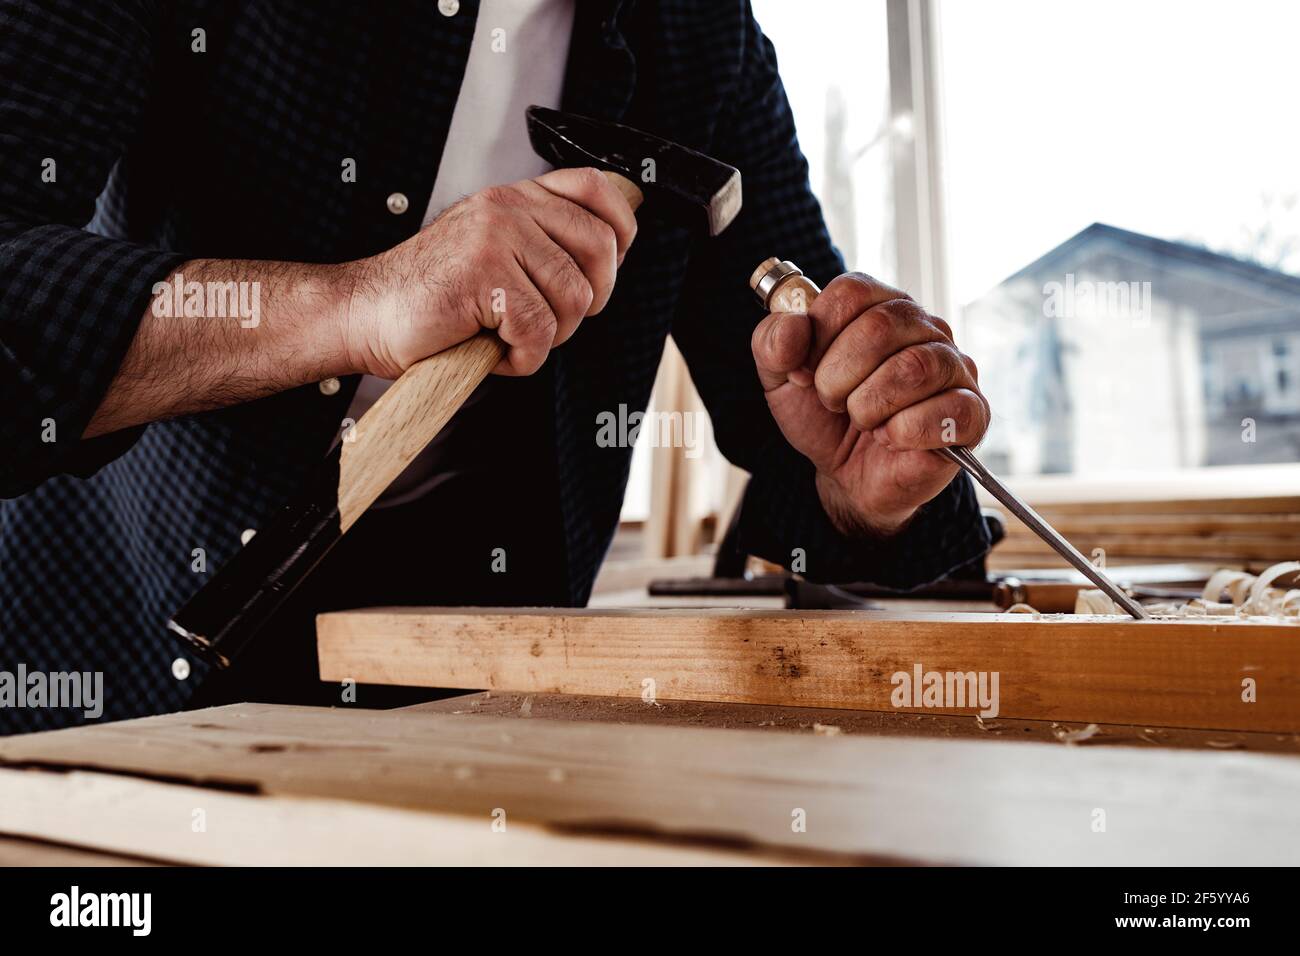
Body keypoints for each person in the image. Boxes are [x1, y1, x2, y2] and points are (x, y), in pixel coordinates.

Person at [0, 0, 991, 732]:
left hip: (486, 715)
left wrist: (873, 486)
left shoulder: (697, 35)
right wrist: (353, 304)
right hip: (101, 696)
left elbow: (811, 446)